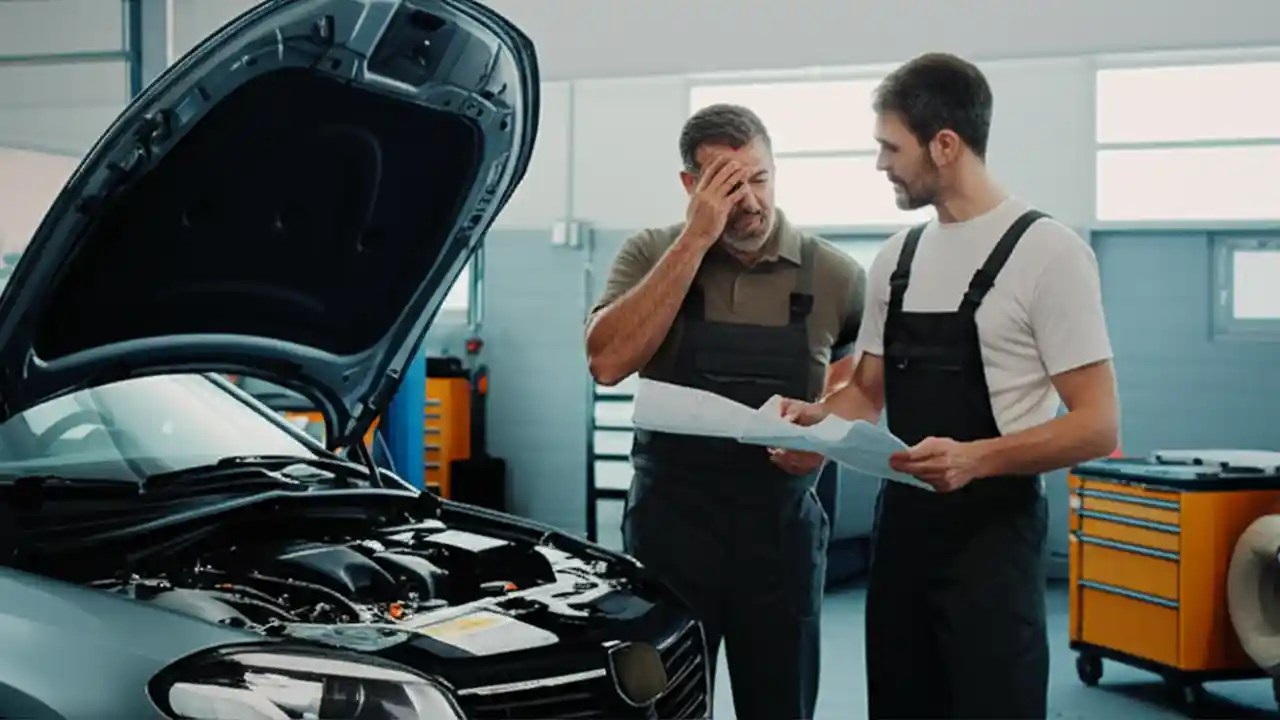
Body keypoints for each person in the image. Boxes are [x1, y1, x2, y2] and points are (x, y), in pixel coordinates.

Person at [777, 53, 1120, 719]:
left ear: (945, 144)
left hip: (992, 545)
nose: (881, 164)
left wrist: (975, 458)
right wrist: (813, 430)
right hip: (902, 536)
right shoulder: (895, 257)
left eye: (890, 146)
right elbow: (866, 390)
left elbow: (1098, 424)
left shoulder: (1047, 253)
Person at [584, 103, 867, 719]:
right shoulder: (651, 253)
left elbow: (854, 387)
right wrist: (695, 238)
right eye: (728, 185)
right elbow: (606, 362)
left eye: (759, 179)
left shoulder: (836, 275)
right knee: (669, 706)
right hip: (671, 535)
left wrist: (823, 436)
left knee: (781, 706)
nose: (750, 201)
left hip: (782, 534)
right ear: (691, 186)